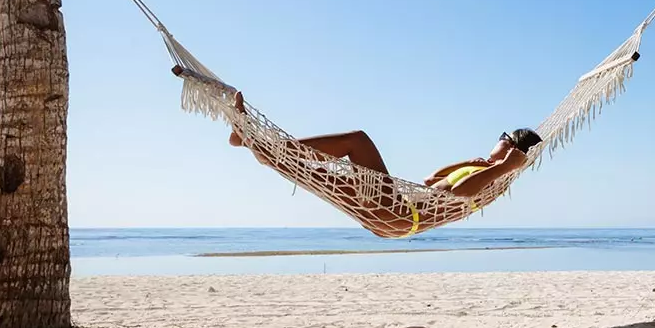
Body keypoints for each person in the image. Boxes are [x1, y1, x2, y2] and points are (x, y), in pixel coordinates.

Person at [228, 127, 543, 199]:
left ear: (511, 148)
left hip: (403, 211)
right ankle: (261, 148)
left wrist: (501, 167)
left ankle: (260, 145)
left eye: (503, 137)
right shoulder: (486, 168)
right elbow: (432, 180)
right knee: (318, 176)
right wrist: (466, 162)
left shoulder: (496, 176)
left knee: (357, 141)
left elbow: (459, 196)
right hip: (399, 203)